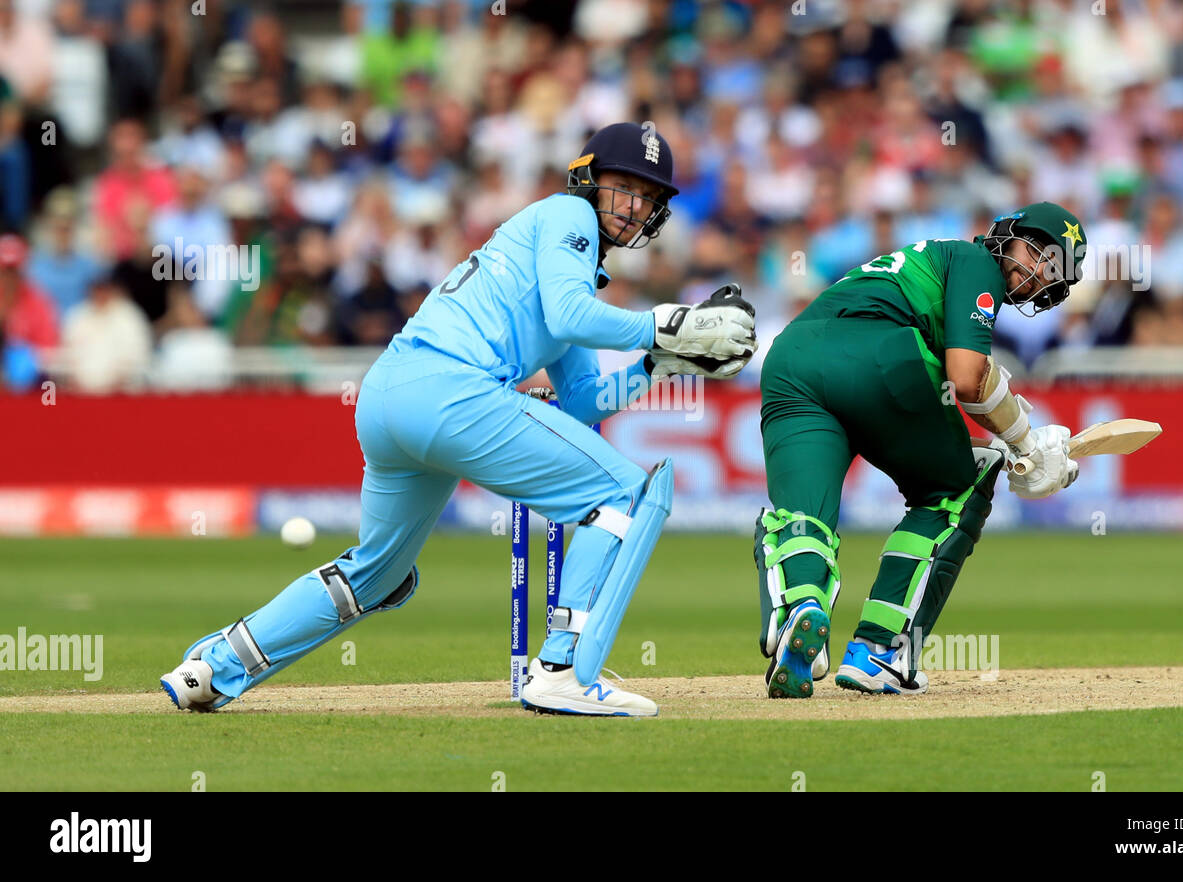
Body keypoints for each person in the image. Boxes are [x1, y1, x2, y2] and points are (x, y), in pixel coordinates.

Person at [161, 122, 757, 716]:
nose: (635, 206)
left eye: (649, 197)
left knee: (375, 577)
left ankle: (214, 667)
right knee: (626, 492)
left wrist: (656, 363)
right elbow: (573, 315)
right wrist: (666, 323)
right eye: (624, 187)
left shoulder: (563, 266)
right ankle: (563, 671)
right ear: (587, 180)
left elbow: (579, 406)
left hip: (390, 397)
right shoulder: (567, 218)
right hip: (453, 393)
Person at [755, 203, 1085, 699]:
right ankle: (880, 653)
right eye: (1038, 252)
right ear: (1004, 236)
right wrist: (1025, 444)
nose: (1038, 272)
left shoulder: (929, 259)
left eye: (1052, 272)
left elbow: (969, 379)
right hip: (876, 358)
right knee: (963, 480)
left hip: (790, 361)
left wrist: (1024, 437)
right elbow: (967, 380)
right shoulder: (976, 263)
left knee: (801, 514)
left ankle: (799, 612)